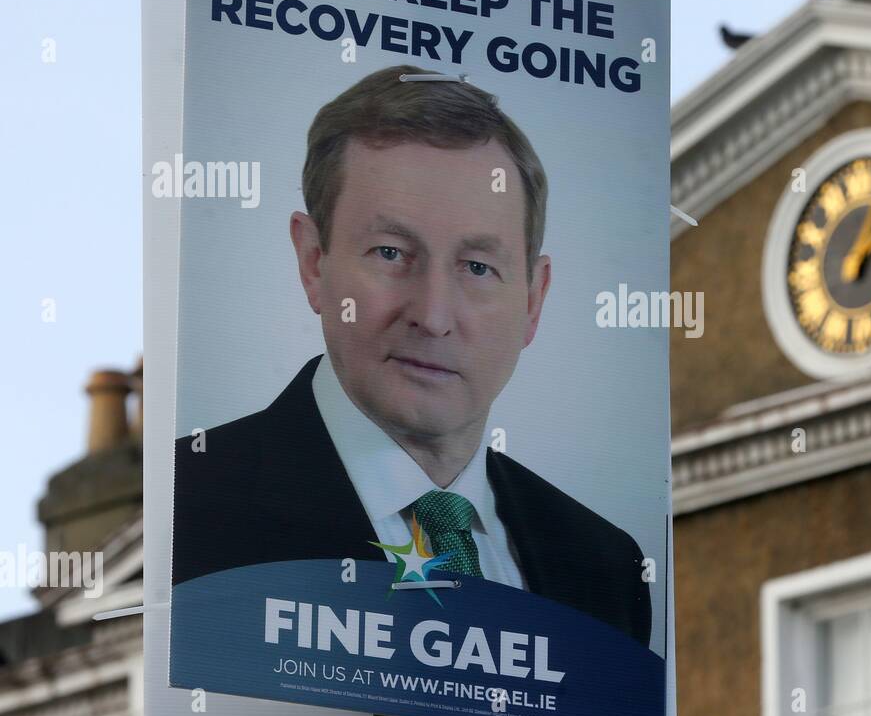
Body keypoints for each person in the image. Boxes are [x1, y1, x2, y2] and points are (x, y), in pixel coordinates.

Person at [172, 64, 652, 648]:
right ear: (313, 262)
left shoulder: (605, 567)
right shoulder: (184, 506)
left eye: (478, 267)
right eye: (392, 252)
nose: (433, 315)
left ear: (533, 299)